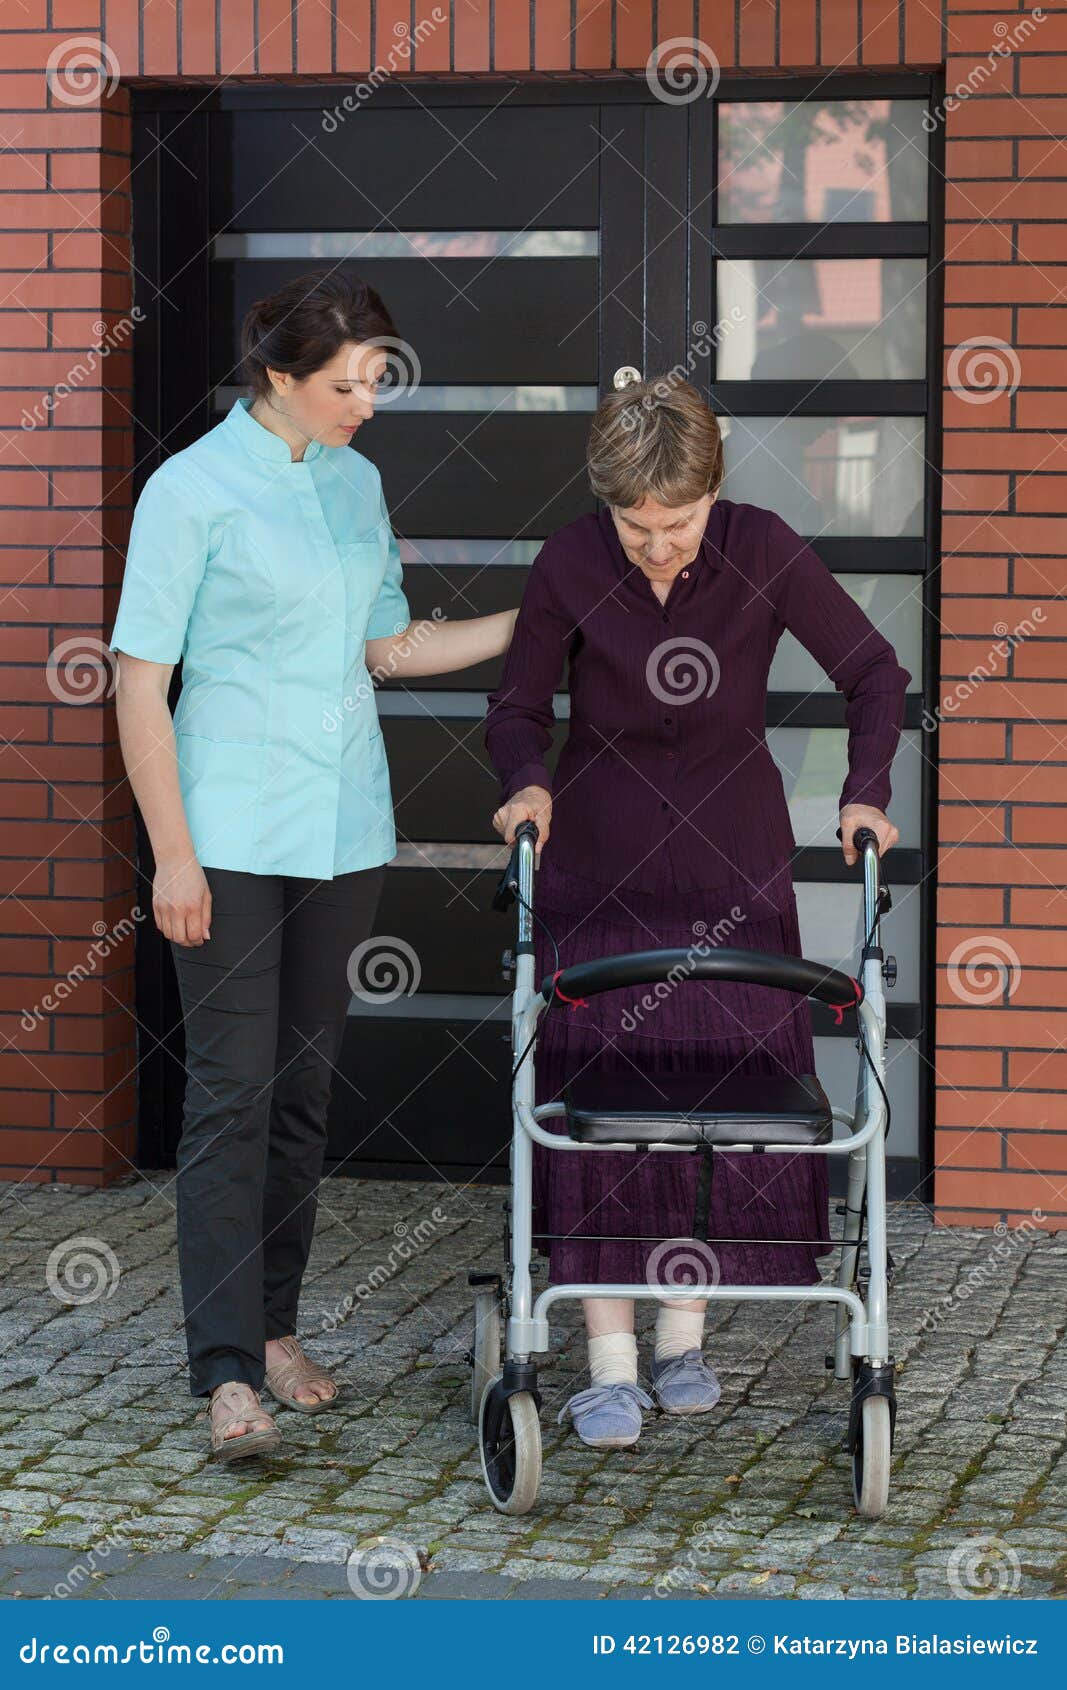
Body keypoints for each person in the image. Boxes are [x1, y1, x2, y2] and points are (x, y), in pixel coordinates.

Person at [110, 269, 518, 1461]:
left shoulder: (357, 483)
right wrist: (172, 857)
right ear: (278, 377)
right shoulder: (189, 492)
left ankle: (276, 1324)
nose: (369, 403)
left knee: (299, 1094)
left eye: (377, 380)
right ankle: (226, 1368)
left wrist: (540, 607)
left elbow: (387, 647)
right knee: (231, 1097)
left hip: (341, 830)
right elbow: (142, 684)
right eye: (346, 384)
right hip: (226, 834)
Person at [485, 376, 910, 1451]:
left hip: (735, 873)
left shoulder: (761, 548)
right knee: (603, 1115)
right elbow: (517, 704)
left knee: (716, 1105)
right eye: (636, 525)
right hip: (597, 866)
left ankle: (683, 1338)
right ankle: (609, 1366)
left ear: (712, 493)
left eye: (676, 523)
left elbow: (871, 670)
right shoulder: (571, 561)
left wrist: (866, 789)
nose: (658, 546)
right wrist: (527, 778)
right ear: (606, 505)